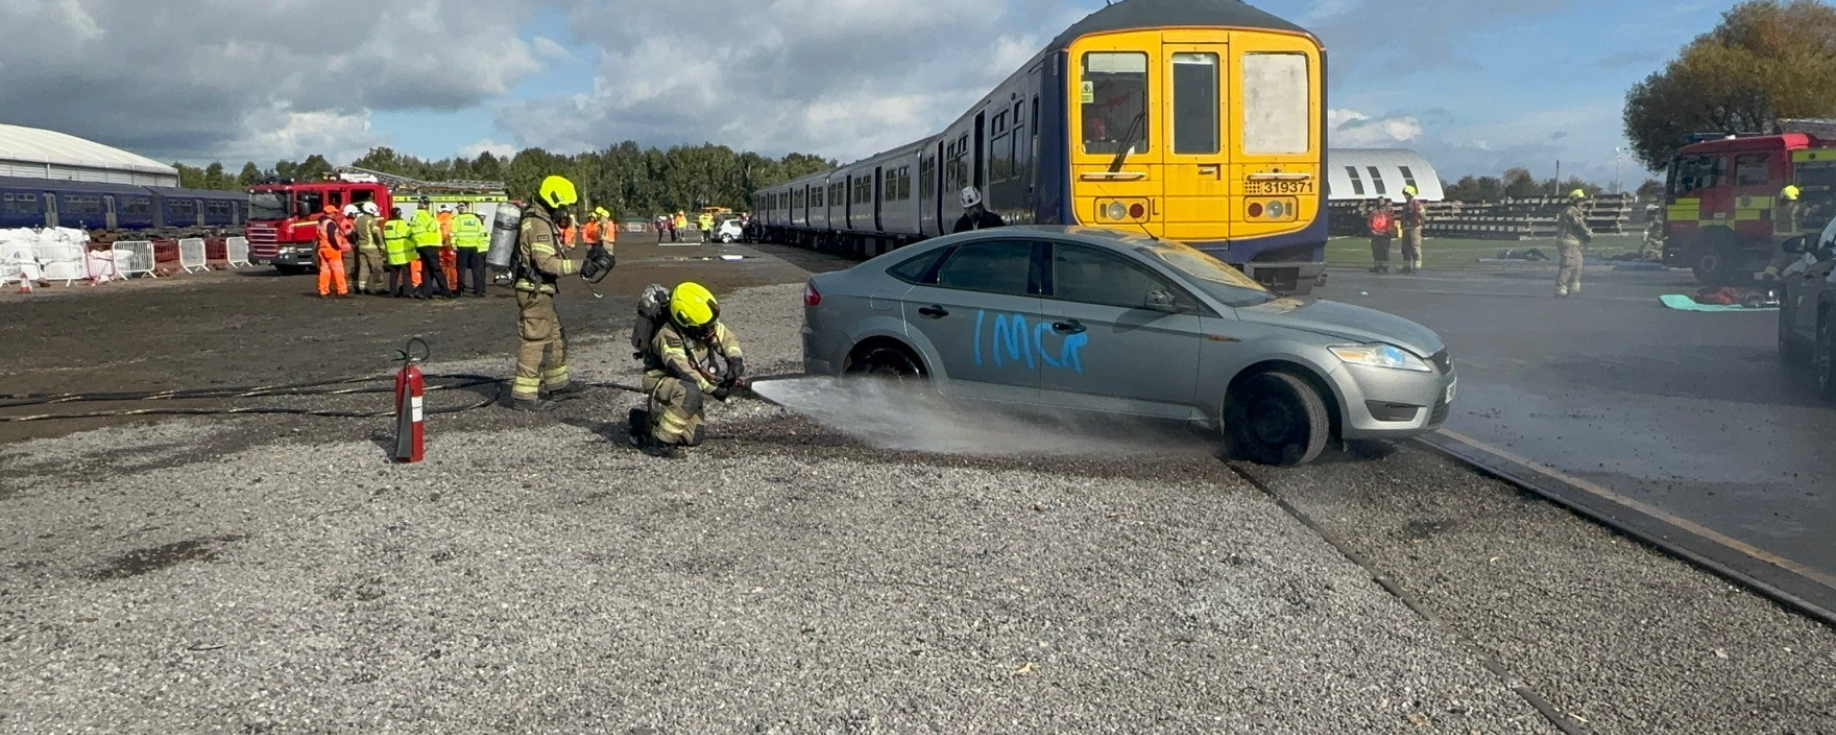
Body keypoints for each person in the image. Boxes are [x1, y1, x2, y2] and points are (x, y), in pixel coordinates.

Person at [633, 282, 744, 459]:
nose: (710, 329)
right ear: (686, 322)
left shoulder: (700, 324)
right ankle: (662, 443)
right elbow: (682, 370)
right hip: (661, 379)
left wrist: (735, 360)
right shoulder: (668, 335)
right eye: (705, 327)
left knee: (693, 437)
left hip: (685, 381)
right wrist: (713, 389)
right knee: (690, 392)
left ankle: (643, 421)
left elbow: (724, 336)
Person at [508, 175, 585, 411]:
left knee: (555, 336)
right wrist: (582, 266)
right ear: (553, 200)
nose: (564, 210)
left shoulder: (541, 218)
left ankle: (557, 383)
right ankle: (524, 395)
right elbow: (546, 264)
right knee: (535, 341)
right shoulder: (538, 223)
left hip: (540, 291)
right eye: (563, 205)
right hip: (534, 291)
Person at [1761, 185, 1807, 281]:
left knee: (1777, 259)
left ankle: (1767, 277)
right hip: (1793, 238)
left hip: (1777, 238)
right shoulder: (1797, 207)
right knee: (1794, 260)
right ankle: (1787, 281)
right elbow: (1809, 213)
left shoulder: (1777, 208)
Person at [410, 197, 453, 299]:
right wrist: (437, 223)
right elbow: (432, 227)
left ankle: (427, 292)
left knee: (427, 269)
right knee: (436, 268)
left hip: (421, 244)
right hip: (429, 243)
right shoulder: (424, 214)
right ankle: (445, 292)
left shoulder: (415, 215)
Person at [1554, 189, 1593, 298]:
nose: (1582, 203)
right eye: (1580, 200)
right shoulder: (1571, 211)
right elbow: (1578, 224)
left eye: (1583, 200)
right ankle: (1560, 287)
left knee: (1578, 264)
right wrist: (1587, 233)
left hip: (1573, 242)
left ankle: (1571, 285)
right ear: (1574, 201)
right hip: (1567, 241)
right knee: (1568, 264)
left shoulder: (1573, 210)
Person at [450, 202, 490, 297]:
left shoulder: (457, 219)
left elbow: (453, 233)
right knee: (476, 270)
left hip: (462, 247)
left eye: (460, 207)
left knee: (461, 270)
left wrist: (453, 245)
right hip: (474, 247)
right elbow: (481, 233)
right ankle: (478, 291)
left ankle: (460, 290)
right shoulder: (475, 219)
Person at [351, 201, 386, 294]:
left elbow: (353, 233)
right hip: (372, 248)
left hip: (361, 247)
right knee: (377, 267)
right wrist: (382, 246)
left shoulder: (357, 220)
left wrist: (357, 242)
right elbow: (377, 234)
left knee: (364, 267)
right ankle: (379, 288)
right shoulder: (372, 220)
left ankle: (362, 287)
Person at [315, 205, 349, 298]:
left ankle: (323, 291)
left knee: (324, 270)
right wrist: (337, 247)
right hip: (332, 250)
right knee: (338, 270)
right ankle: (342, 291)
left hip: (322, 249)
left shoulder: (320, 223)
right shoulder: (330, 223)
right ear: (330, 213)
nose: (335, 214)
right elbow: (331, 236)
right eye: (334, 212)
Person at [382, 206, 417, 298]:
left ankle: (392, 292)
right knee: (406, 273)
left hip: (392, 254)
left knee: (393, 273)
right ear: (399, 214)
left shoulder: (387, 224)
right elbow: (409, 235)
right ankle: (408, 292)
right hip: (402, 254)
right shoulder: (401, 223)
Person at [1399, 185, 1427, 273]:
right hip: (1406, 228)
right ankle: (1407, 267)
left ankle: (1417, 266)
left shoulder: (1417, 204)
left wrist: (1421, 224)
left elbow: (1423, 215)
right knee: (1405, 248)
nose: (1405, 196)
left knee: (1415, 247)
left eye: (1406, 194)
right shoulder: (1405, 205)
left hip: (1414, 228)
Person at [1366, 197, 1397, 273]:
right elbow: (1369, 221)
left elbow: (1391, 221)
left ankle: (1385, 267)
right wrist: (1372, 230)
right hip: (1375, 233)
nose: (1380, 203)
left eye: (1382, 201)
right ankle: (1376, 266)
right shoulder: (1374, 212)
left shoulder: (1389, 211)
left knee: (1384, 251)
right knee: (1376, 251)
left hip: (1385, 234)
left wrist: (1388, 230)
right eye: (1379, 201)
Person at [437, 204, 460, 290]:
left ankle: (444, 285)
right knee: (452, 266)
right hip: (451, 246)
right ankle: (453, 286)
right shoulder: (454, 219)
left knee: (443, 267)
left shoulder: (436, 220)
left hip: (440, 246)